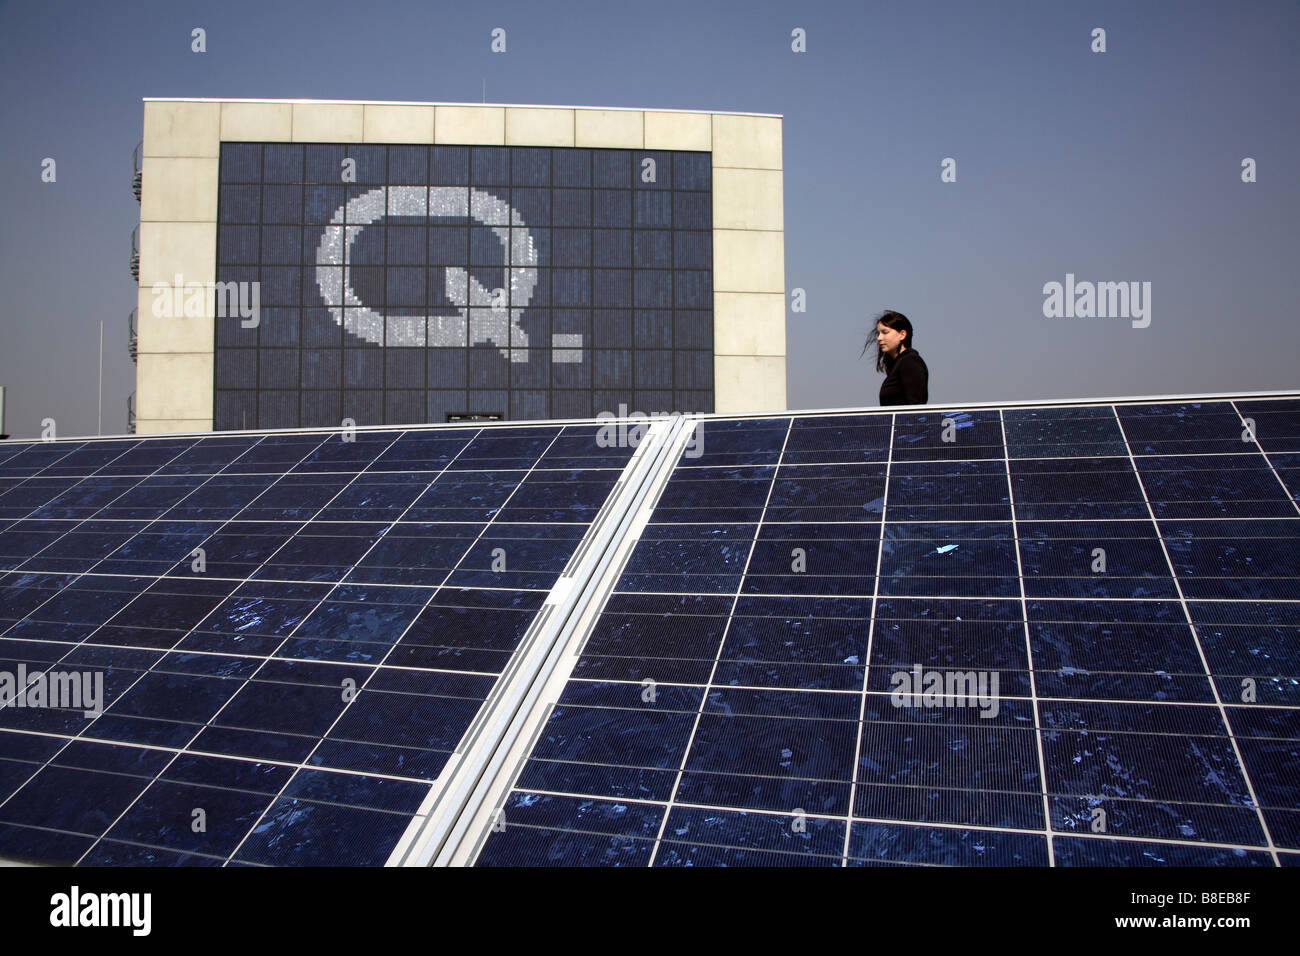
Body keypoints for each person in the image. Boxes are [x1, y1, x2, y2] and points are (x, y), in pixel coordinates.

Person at [865, 310, 928, 406]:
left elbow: (916, 407)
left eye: (885, 332)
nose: (879, 338)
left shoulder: (910, 361)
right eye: (878, 333)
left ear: (902, 334)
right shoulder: (899, 364)